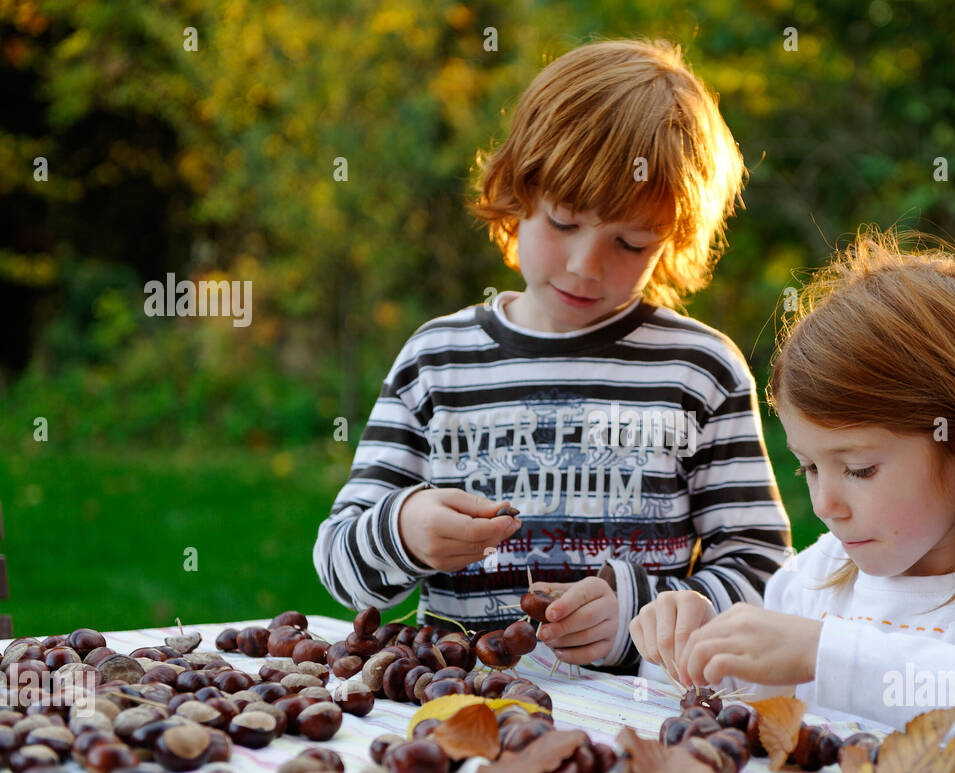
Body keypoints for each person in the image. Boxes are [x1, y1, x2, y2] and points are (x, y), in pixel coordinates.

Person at [314, 38, 790, 673]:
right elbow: (341, 566)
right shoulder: (437, 361)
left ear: (671, 239)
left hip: (643, 719)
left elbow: (763, 571)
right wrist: (404, 531)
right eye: (564, 223)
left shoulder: (698, 370)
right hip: (456, 710)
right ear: (517, 192)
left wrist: (636, 615)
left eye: (629, 242)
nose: (584, 265)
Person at [629, 229, 955, 770]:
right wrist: (692, 645)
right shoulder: (817, 579)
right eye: (810, 467)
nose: (824, 503)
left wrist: (830, 654)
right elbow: (743, 698)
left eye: (859, 469)